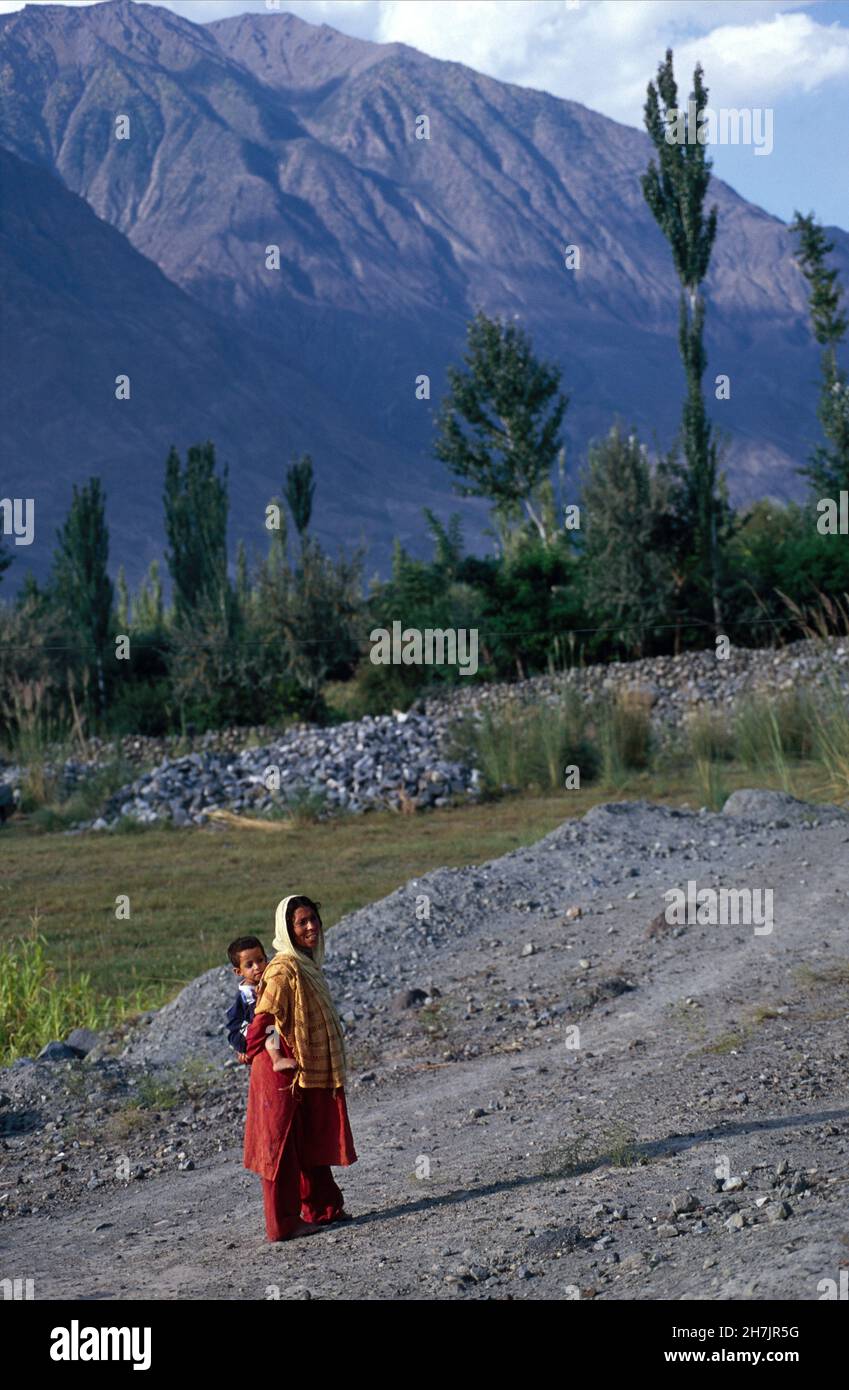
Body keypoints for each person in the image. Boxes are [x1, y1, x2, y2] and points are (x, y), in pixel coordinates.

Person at [242, 893, 357, 1241]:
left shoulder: (306, 963)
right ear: (287, 930)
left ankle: (323, 1209)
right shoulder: (284, 967)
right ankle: (283, 1224)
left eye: (313, 920)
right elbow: (261, 1019)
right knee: (280, 1147)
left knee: (307, 1141)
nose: (310, 927)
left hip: (300, 1069)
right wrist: (252, 1051)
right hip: (280, 1072)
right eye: (301, 922)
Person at [225, 936, 267, 1064]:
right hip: (246, 1034)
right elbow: (240, 1025)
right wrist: (241, 1048)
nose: (257, 967)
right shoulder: (247, 995)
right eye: (249, 965)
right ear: (238, 971)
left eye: (260, 960)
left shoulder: (269, 979)